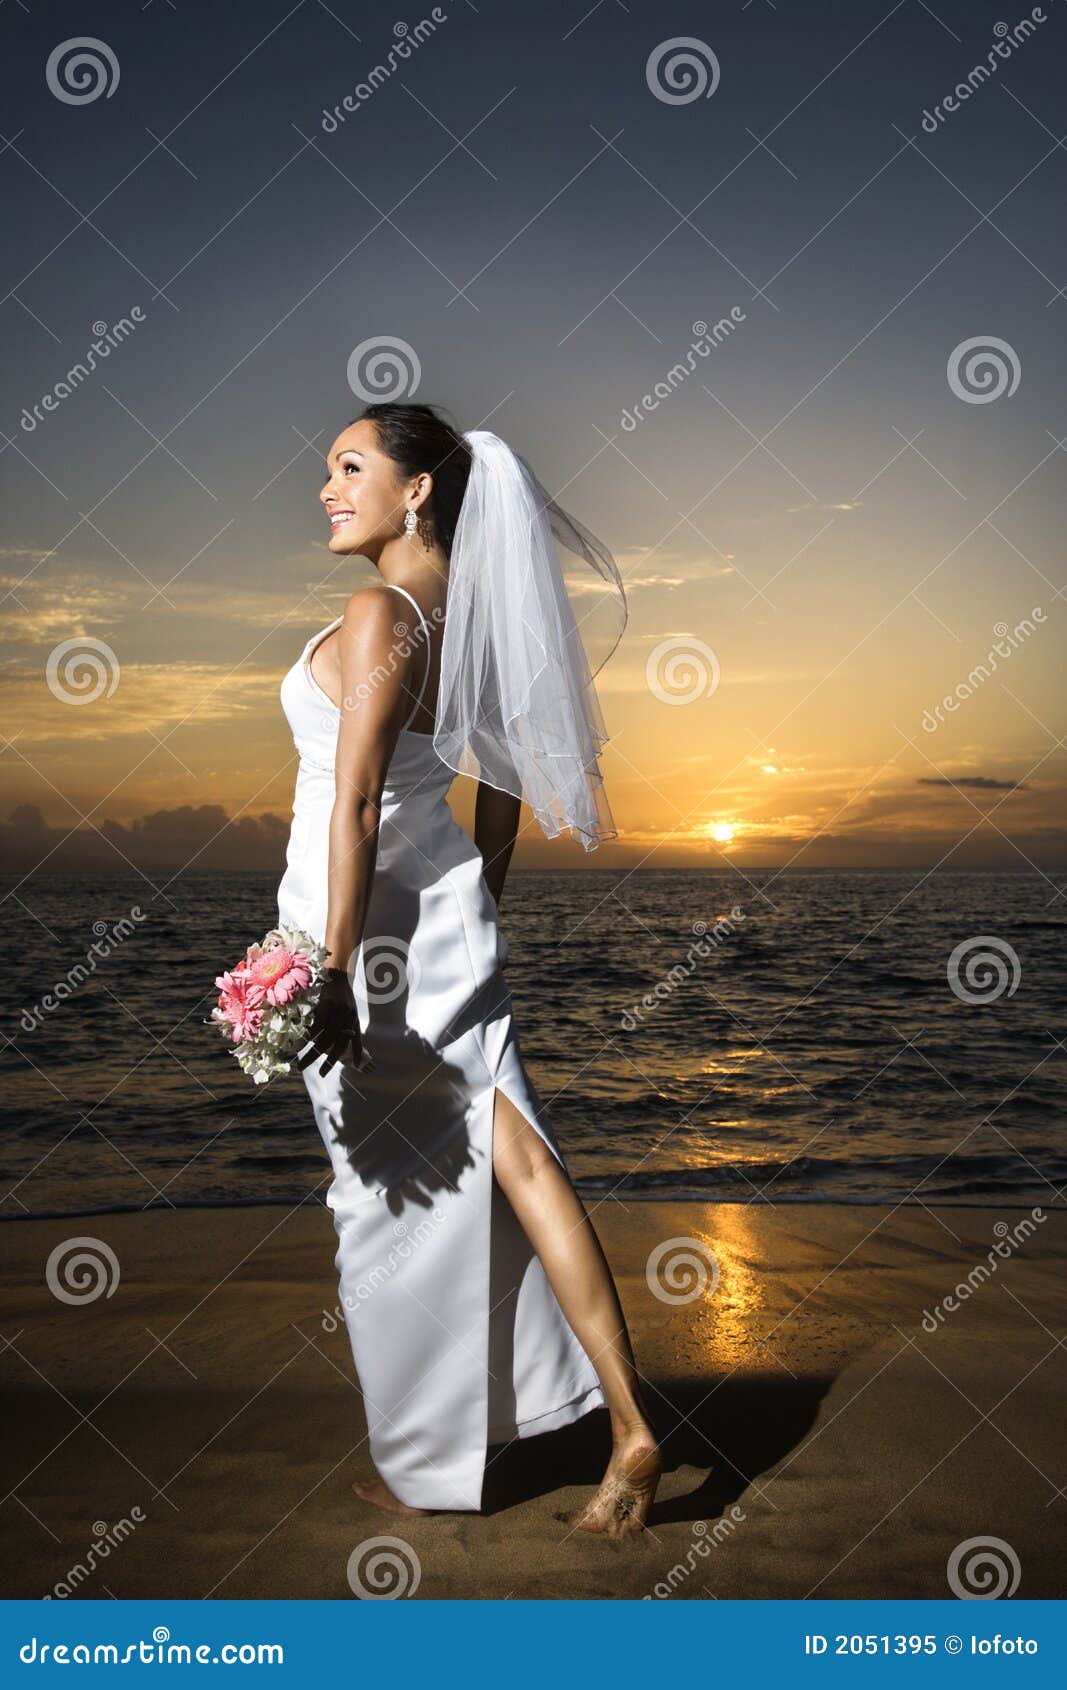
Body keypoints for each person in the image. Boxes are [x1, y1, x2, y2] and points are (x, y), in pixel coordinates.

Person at [276, 402, 661, 1534]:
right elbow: (506, 779)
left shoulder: (378, 612)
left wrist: (335, 967)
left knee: (381, 1209)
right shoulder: (475, 622)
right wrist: (478, 892)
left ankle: (426, 1459)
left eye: (350, 466)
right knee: (522, 1166)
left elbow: (348, 800)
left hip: (370, 931)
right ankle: (629, 1424)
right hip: (440, 911)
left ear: (418, 491)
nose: (327, 488)